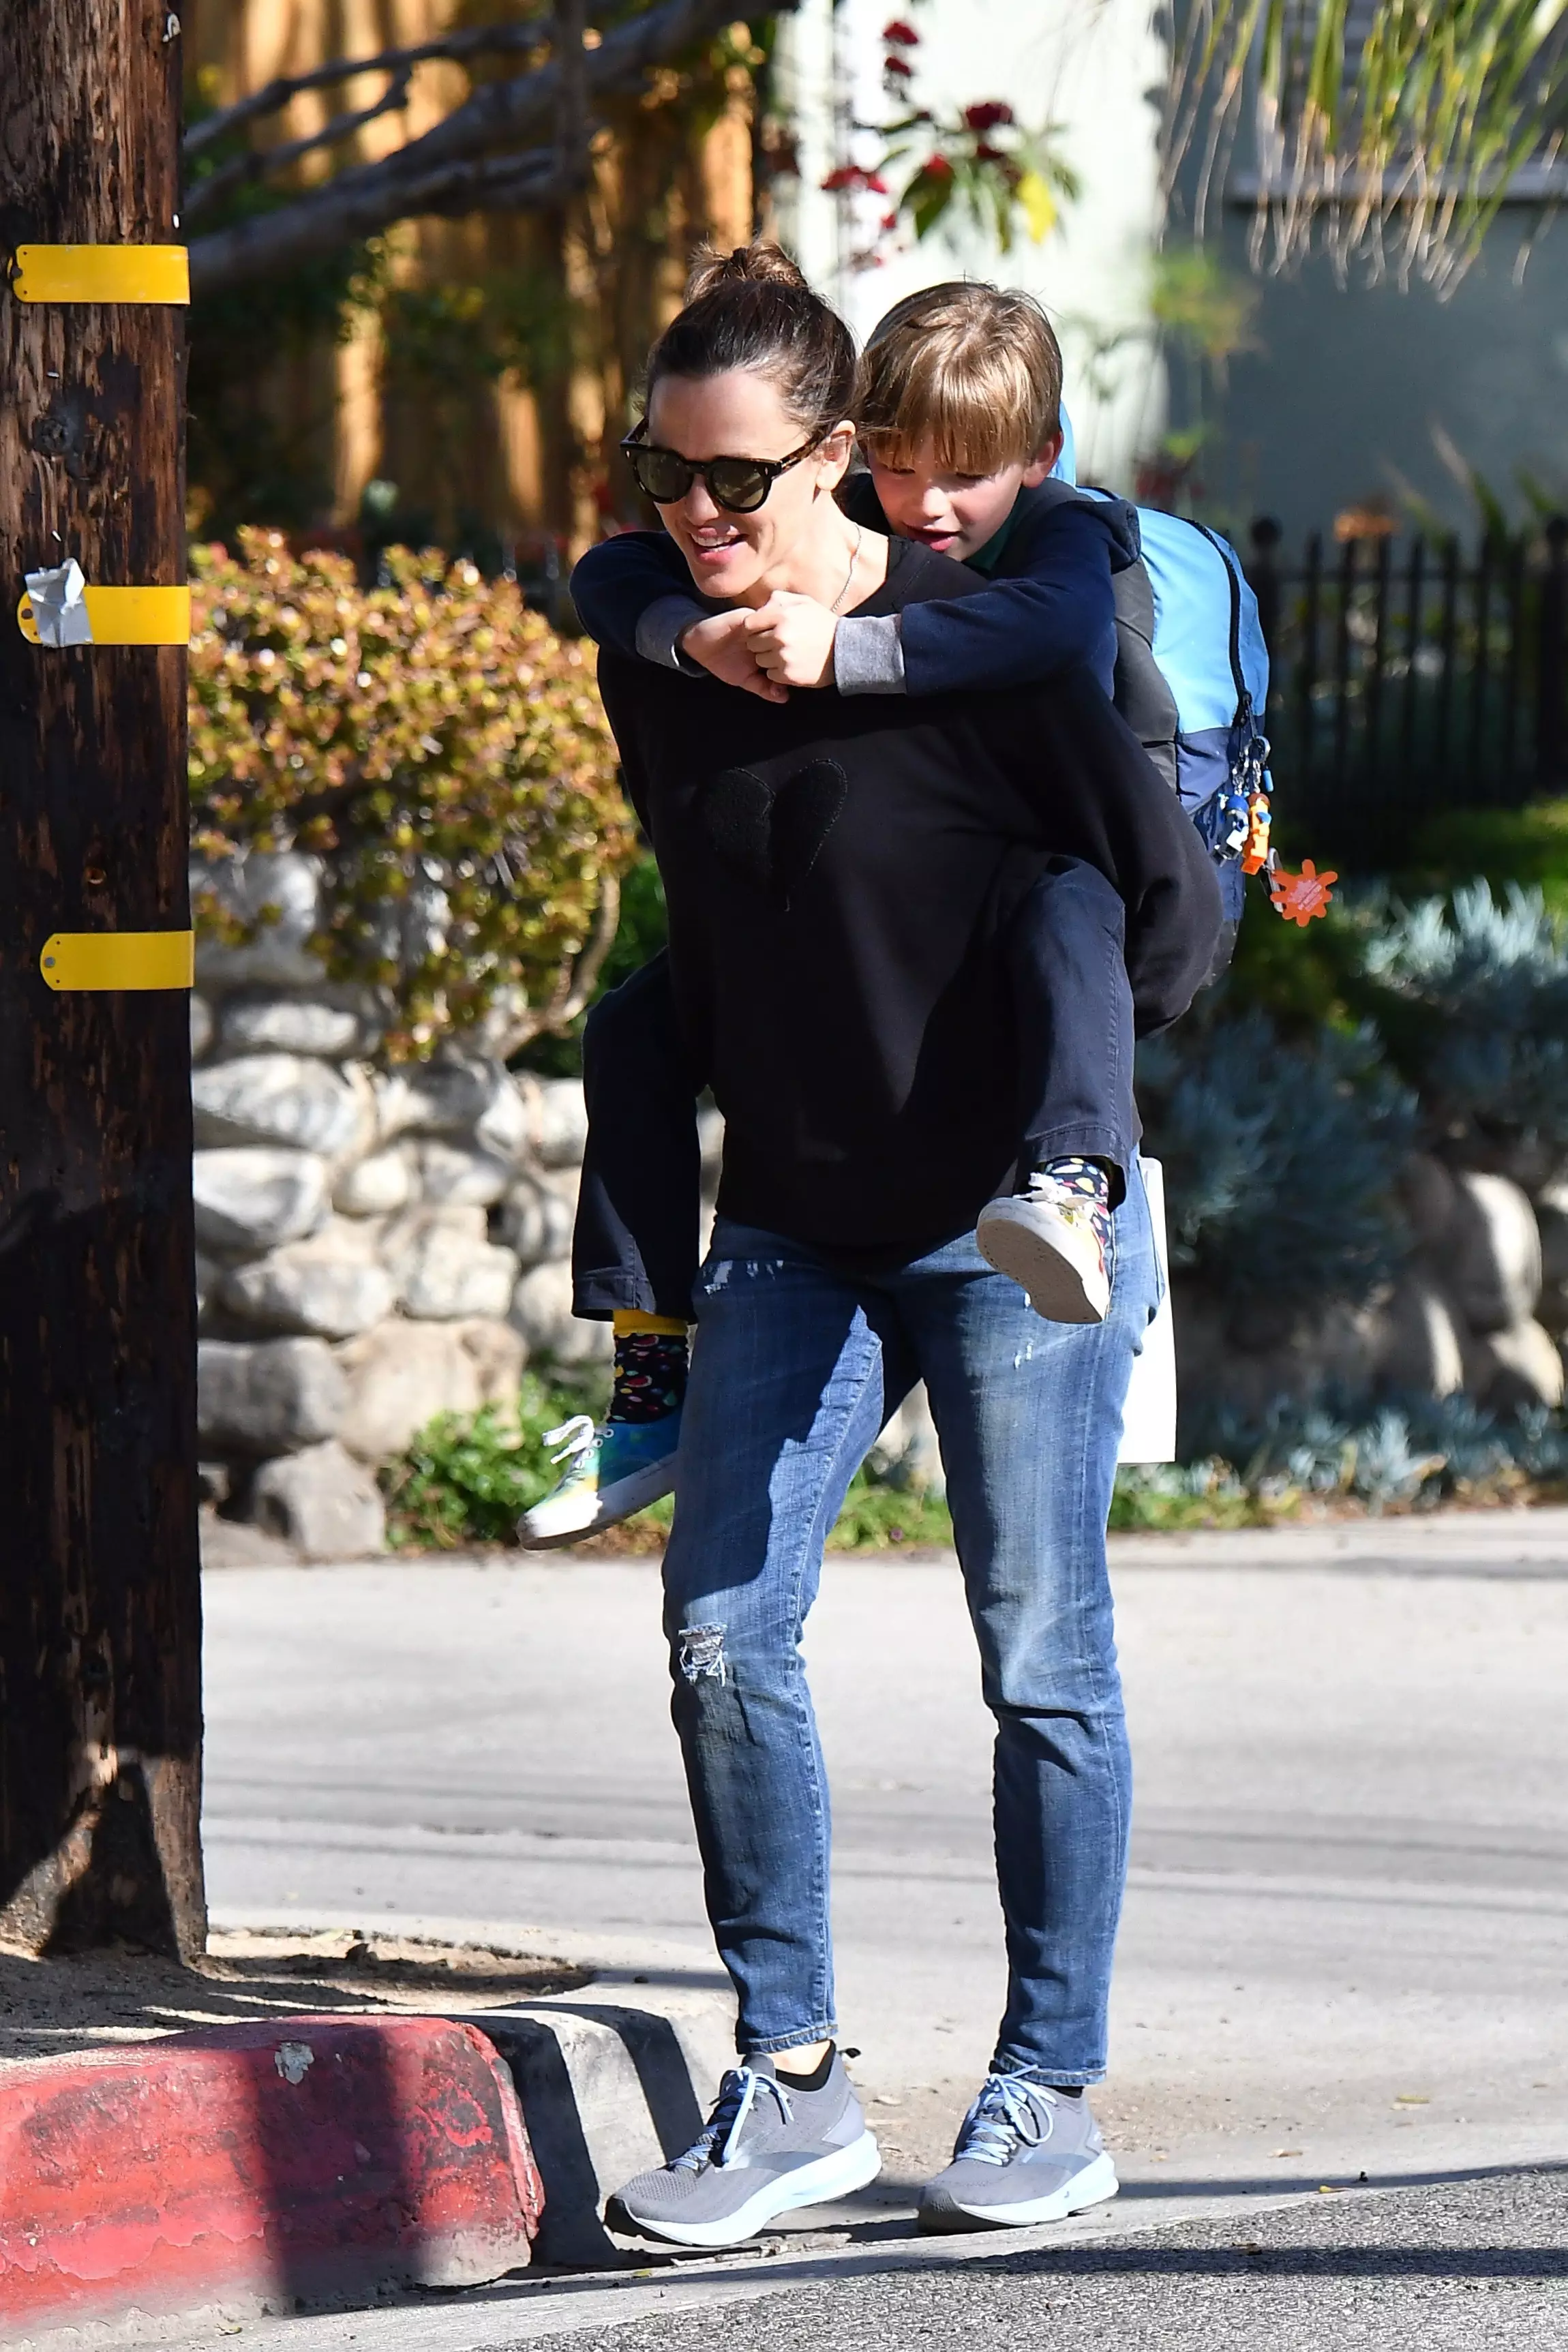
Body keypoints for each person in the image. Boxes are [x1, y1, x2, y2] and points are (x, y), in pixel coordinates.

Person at [567, 243, 1221, 2246]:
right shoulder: (652, 626)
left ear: (842, 457)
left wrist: (1080, 1111)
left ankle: (1046, 2087)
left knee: (1038, 1658)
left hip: (1008, 1221)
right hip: (790, 1211)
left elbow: (1162, 918)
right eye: (662, 475)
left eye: (736, 480)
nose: (693, 516)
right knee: (718, 1629)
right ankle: (790, 2088)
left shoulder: (993, 635)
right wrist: (696, 633)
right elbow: (603, 596)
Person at [527, 281, 1173, 1546]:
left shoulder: (1059, 543)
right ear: (856, 452)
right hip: (808, 1191)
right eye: (899, 460)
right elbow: (607, 574)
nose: (926, 500)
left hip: (1052, 920)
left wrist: (848, 654)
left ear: (1038, 462)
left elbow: (1061, 639)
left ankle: (1074, 1182)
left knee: (1064, 910)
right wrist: (680, 635)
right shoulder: (770, 553)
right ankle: (650, 1374)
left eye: (965, 473)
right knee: (630, 1029)